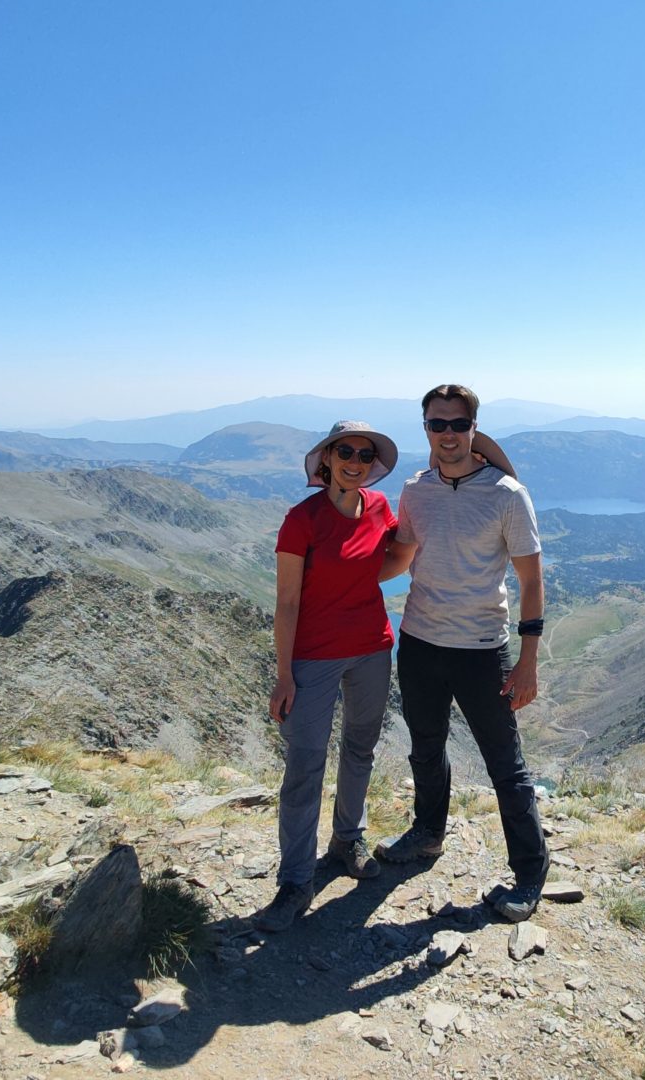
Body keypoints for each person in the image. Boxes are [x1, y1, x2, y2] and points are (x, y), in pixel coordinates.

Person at [375, 383, 550, 922]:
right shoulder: (416, 490)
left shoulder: (506, 494)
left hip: (481, 649)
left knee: (506, 765)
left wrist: (527, 660)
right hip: (421, 642)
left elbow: (531, 580)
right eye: (436, 424)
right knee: (425, 748)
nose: (446, 434)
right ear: (425, 427)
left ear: (474, 429)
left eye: (457, 424)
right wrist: (330, 578)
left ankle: (529, 874)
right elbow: (402, 557)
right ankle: (428, 834)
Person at [256, 420, 402, 933]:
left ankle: (347, 839)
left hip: (373, 649)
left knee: (360, 748)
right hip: (313, 659)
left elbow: (391, 559)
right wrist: (283, 674)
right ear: (326, 460)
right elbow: (287, 602)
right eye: (346, 451)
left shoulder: (380, 509)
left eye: (365, 454)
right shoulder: (302, 520)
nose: (356, 460)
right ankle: (295, 881)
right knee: (304, 767)